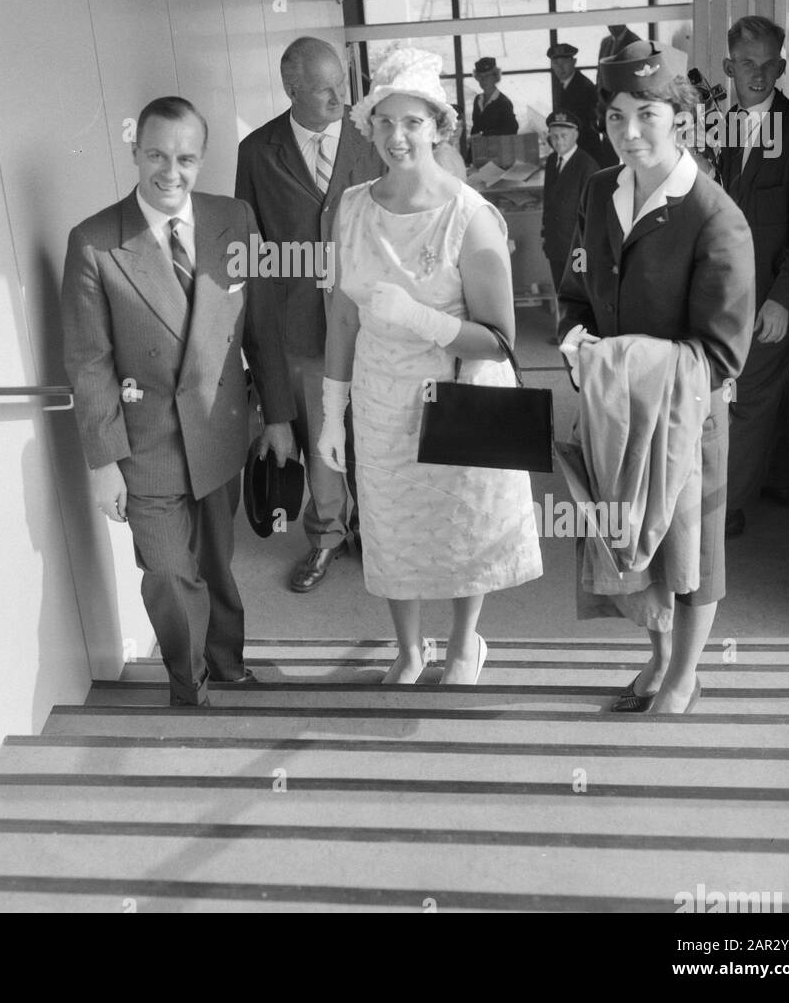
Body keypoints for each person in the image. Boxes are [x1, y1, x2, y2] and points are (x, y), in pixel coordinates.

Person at [316, 48, 543, 686]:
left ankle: (466, 643)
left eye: (412, 122)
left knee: (461, 526)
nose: (397, 137)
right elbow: (340, 315)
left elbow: (499, 340)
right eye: (385, 122)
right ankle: (410, 650)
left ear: (439, 126)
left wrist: (417, 316)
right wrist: (332, 415)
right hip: (381, 395)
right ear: (369, 126)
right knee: (392, 530)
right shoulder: (353, 208)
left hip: (458, 394)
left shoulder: (471, 216)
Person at [62, 96, 296, 706]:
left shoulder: (234, 218)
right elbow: (89, 362)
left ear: (202, 158)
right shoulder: (94, 242)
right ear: (135, 151)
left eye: (186, 158)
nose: (171, 172)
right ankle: (187, 683)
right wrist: (103, 460)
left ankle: (226, 664)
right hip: (146, 444)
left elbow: (261, 324)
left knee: (217, 565)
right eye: (157, 155)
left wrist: (278, 417)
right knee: (168, 571)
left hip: (221, 429)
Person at [558, 42, 754, 714]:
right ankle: (659, 656)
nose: (630, 132)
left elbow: (722, 353)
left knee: (689, 551)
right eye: (615, 118)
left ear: (680, 117)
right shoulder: (595, 191)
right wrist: (576, 343)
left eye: (647, 114)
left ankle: (685, 675)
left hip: (684, 414)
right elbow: (574, 292)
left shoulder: (713, 216)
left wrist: (619, 360)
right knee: (629, 544)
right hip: (614, 410)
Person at [235, 37, 384, 592]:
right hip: (299, 325)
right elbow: (252, 249)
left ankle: (376, 530)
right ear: (291, 89)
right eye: (326, 89)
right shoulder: (257, 152)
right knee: (321, 437)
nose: (340, 98)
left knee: (373, 432)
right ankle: (325, 537)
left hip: (370, 319)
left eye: (343, 84)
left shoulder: (369, 137)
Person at [718, 16, 789, 537]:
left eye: (768, 65)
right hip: (731, 295)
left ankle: (726, 508)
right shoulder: (723, 125)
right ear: (729, 67)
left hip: (772, 300)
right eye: (748, 64)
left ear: (782, 66)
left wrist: (783, 302)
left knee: (741, 397)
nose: (759, 75)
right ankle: (781, 478)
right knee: (767, 387)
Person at [541, 109, 598, 294]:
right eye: (554, 136)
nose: (558, 141)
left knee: (580, 293)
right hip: (555, 243)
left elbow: (592, 214)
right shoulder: (552, 161)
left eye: (564, 136)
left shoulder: (587, 165)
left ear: (576, 135)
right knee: (561, 291)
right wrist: (544, 232)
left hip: (577, 246)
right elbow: (549, 200)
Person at [548, 42, 609, 165]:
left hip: (586, 153)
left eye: (564, 63)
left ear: (574, 62)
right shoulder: (565, 83)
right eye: (556, 63)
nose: (560, 68)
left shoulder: (583, 87)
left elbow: (583, 129)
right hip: (574, 151)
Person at [468, 57, 519, 135]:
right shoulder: (477, 99)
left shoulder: (504, 102)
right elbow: (475, 128)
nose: (484, 80)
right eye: (480, 77)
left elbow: (512, 129)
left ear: (496, 77)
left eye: (487, 76)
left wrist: (483, 135)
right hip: (479, 146)